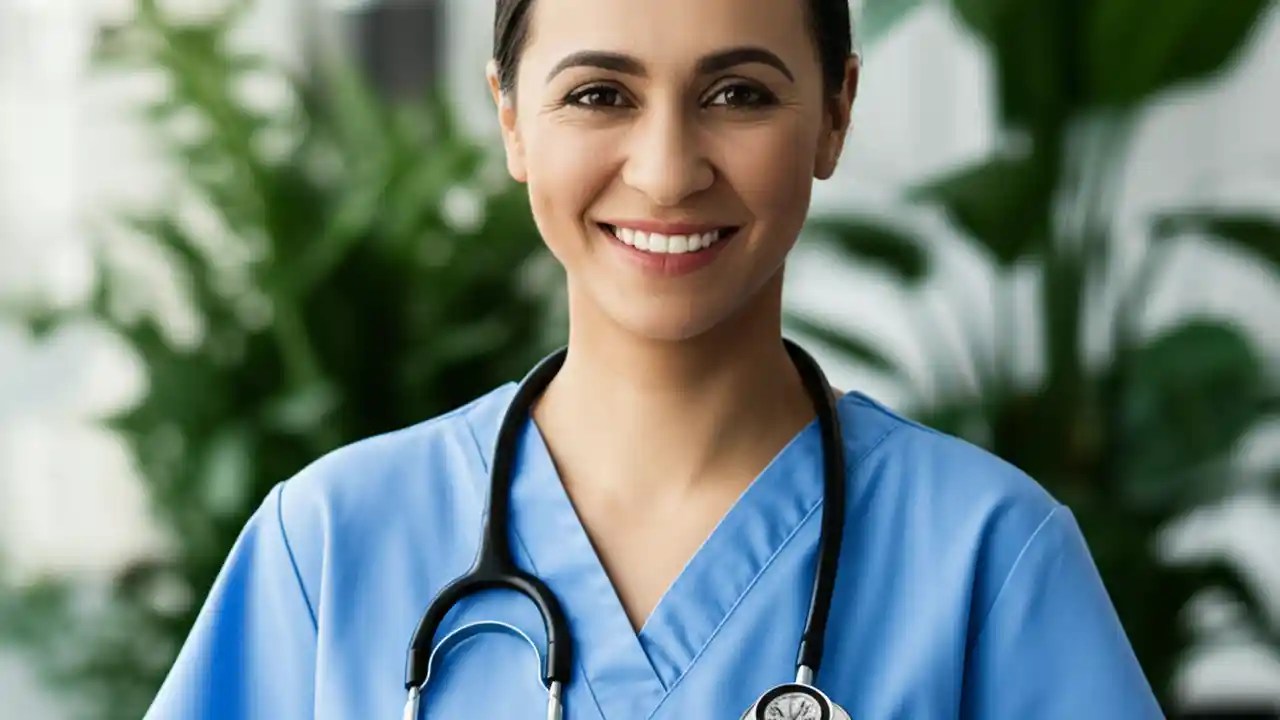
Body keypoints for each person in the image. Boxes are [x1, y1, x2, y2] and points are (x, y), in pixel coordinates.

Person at [144, 0, 1166, 717]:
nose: (668, 171)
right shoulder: (329, 545)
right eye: (598, 96)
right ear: (509, 117)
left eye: (737, 94)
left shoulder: (985, 557)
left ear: (834, 113)